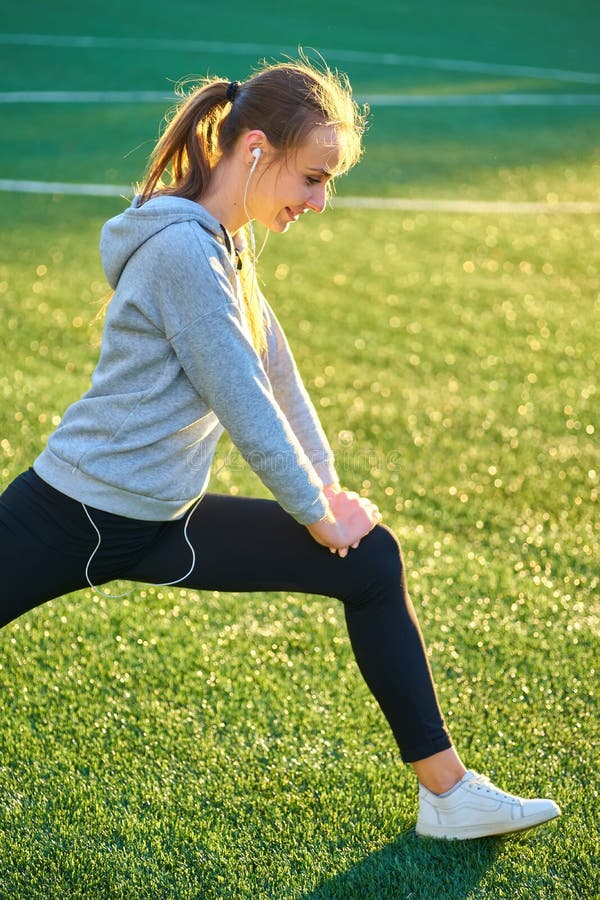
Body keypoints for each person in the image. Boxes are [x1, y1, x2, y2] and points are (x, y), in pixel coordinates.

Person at [0, 58, 560, 840]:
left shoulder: (225, 244)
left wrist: (327, 492)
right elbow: (243, 399)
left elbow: (276, 372)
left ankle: (450, 796)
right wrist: (314, 514)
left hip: (163, 522)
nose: (320, 201)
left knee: (369, 561)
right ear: (257, 149)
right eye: (314, 178)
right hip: (76, 510)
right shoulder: (181, 252)